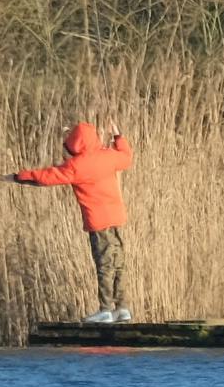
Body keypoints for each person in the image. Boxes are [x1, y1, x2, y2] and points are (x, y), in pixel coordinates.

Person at [11, 119, 136, 320]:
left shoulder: (76, 166)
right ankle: (122, 307)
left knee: (103, 263)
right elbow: (126, 157)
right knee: (118, 262)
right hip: (116, 218)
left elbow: (46, 177)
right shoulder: (108, 156)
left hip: (98, 222)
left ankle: (105, 310)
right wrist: (118, 137)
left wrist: (18, 176)